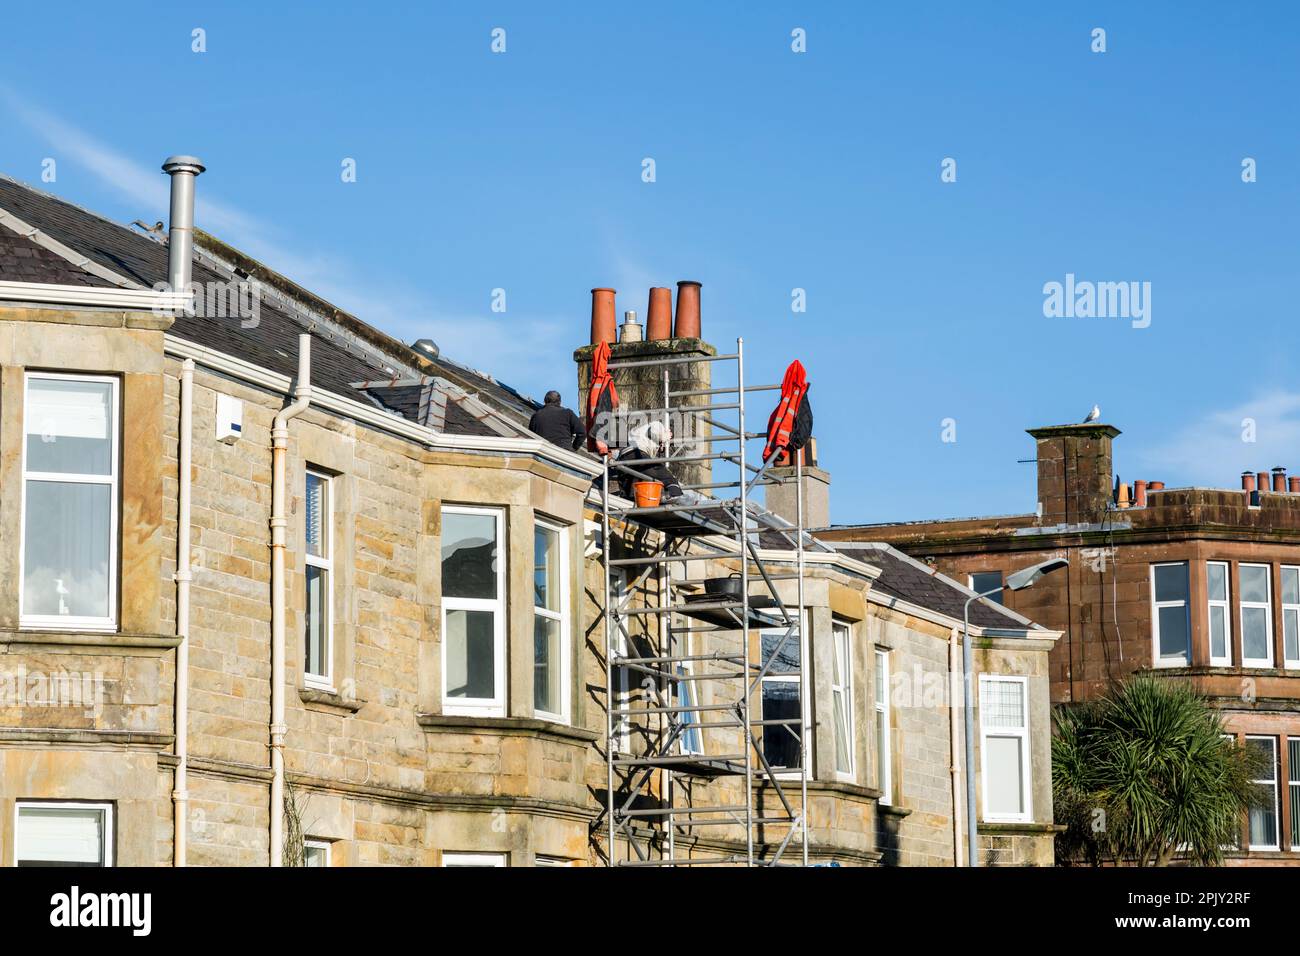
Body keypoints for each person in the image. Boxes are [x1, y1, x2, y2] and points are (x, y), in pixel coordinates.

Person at [614, 420, 683, 499]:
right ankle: (675, 494)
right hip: (636, 453)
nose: (662, 448)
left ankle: (631, 498)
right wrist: (664, 436)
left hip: (624, 456)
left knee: (633, 483)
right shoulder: (658, 425)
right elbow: (654, 431)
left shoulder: (641, 433)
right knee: (664, 475)